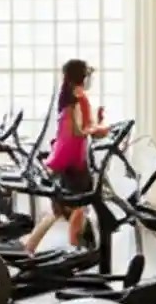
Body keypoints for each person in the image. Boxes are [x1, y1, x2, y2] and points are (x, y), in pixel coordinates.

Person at [23, 59, 108, 255]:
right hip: (75, 161)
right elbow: (78, 131)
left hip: (69, 159)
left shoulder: (67, 97)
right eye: (87, 75)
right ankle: (74, 250)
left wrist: (98, 124)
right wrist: (101, 129)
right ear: (81, 77)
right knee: (78, 207)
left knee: (61, 209)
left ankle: (30, 247)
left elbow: (78, 127)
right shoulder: (78, 97)